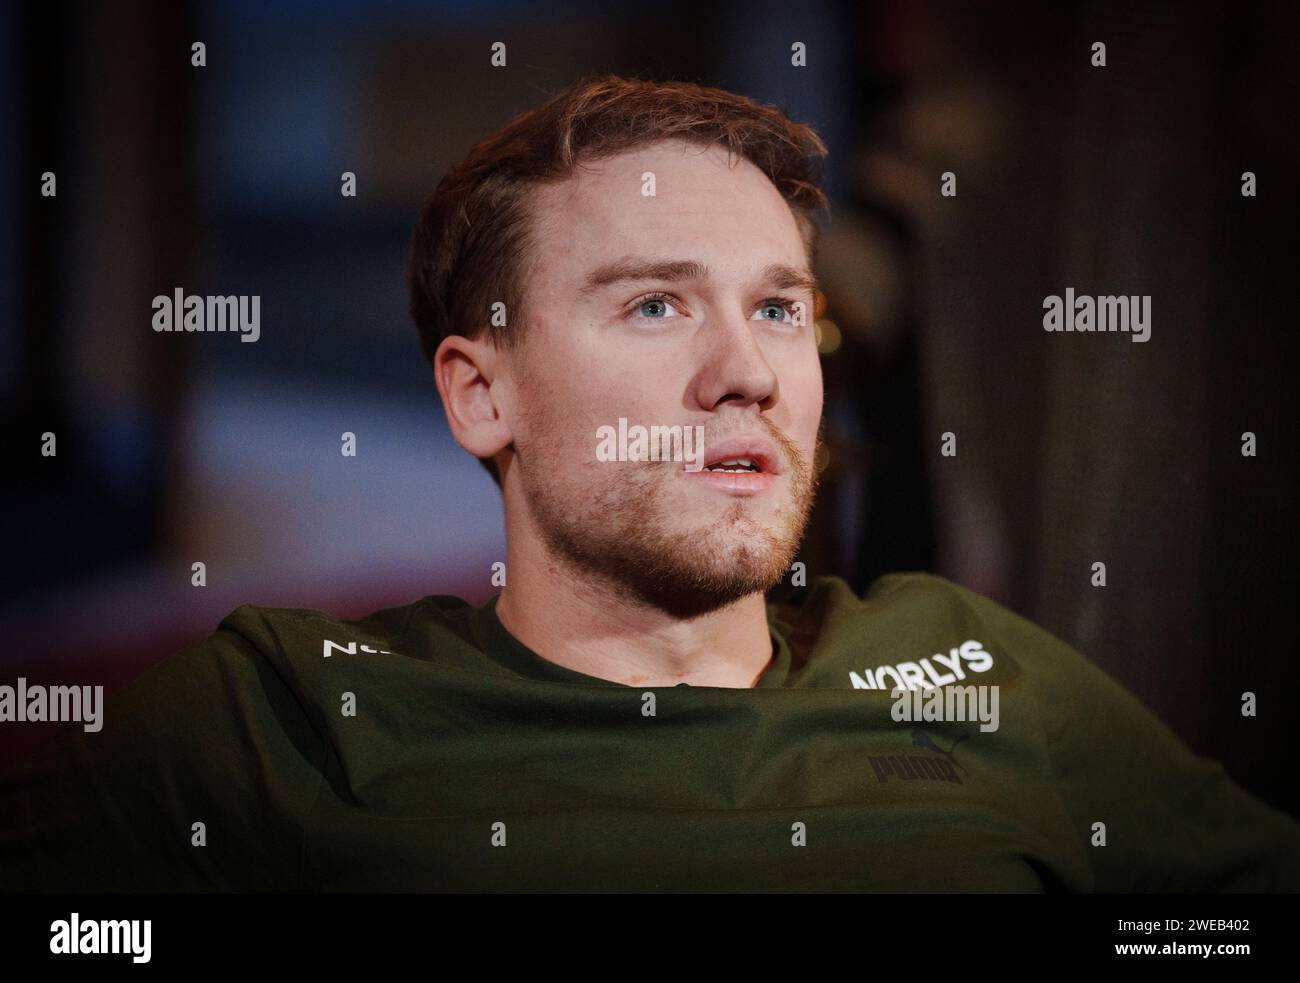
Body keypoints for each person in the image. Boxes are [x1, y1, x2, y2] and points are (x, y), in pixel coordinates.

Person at [3, 74, 1298, 892]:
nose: (749, 372)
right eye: (657, 304)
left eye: (781, 310)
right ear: (480, 393)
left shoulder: (970, 665)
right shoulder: (274, 719)